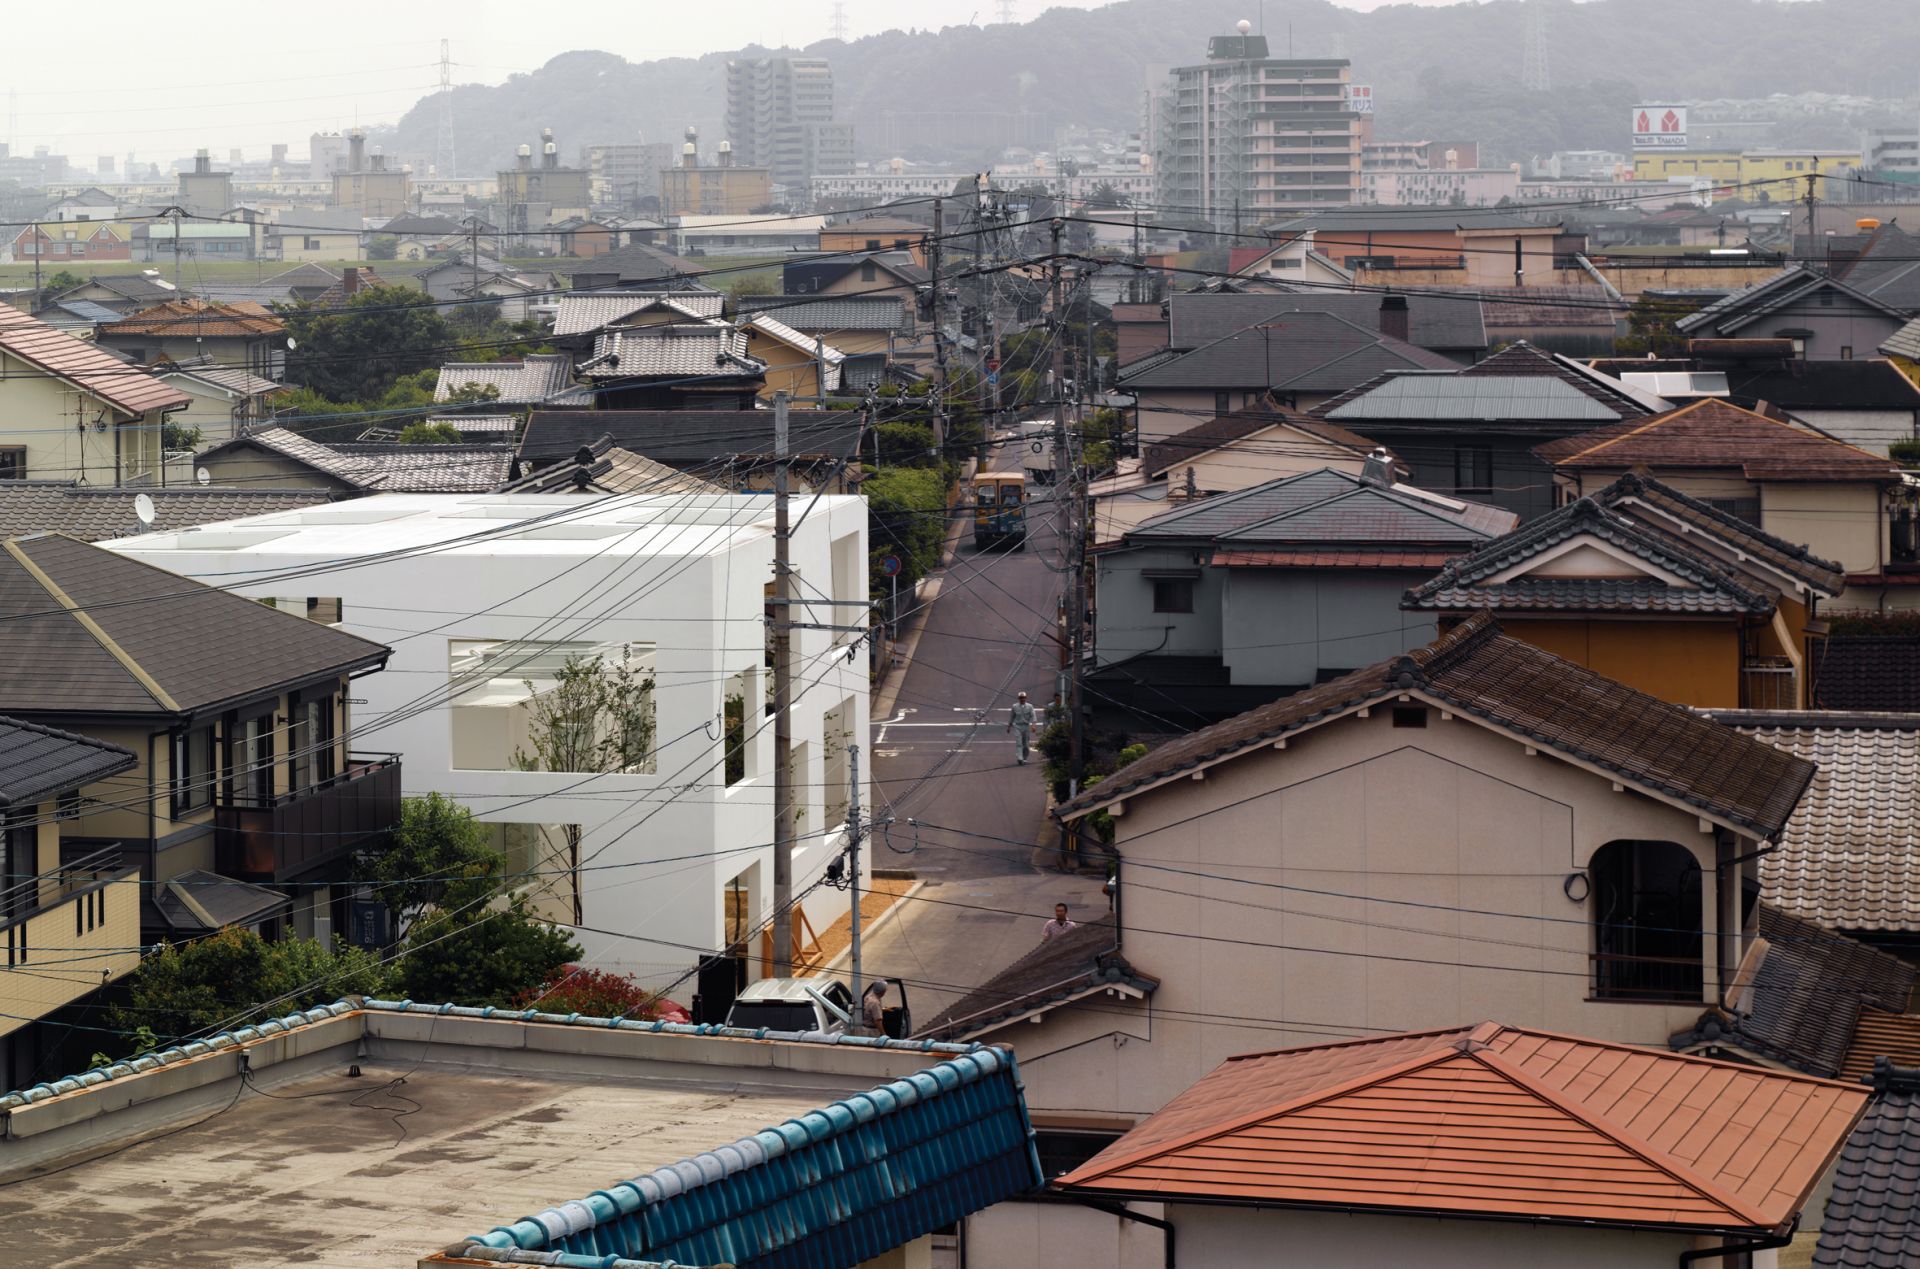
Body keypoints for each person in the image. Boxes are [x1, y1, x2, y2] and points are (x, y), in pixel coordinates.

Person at [1007, 691, 1037, 764]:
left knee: (1026, 744)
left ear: (1026, 698)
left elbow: (1033, 716)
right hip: (1017, 726)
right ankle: (1020, 758)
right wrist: (1009, 726)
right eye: (1020, 698)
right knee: (1019, 743)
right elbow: (1012, 717)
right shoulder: (1014, 706)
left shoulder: (1030, 706)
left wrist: (1033, 725)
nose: (1022, 699)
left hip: (1026, 726)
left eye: (1023, 697)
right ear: (1018, 698)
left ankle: (1024, 757)